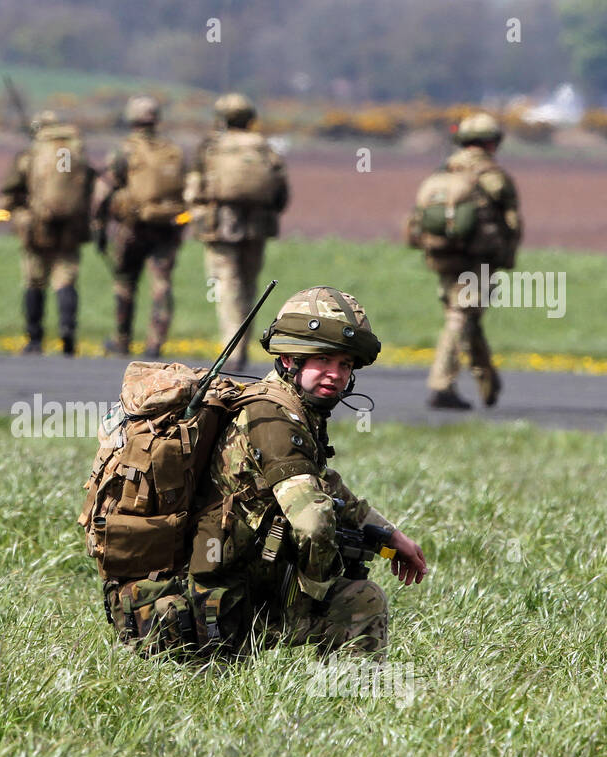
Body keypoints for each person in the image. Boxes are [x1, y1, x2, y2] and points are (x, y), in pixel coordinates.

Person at [105, 286, 427, 660]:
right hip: (205, 609)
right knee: (361, 599)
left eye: (345, 365)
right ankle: (350, 705)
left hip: (201, 597)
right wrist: (314, 595)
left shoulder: (279, 405)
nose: (336, 375)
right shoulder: (273, 419)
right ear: (289, 359)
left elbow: (325, 486)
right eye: (323, 360)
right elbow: (314, 522)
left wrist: (389, 535)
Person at [408, 112, 522, 410]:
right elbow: (511, 218)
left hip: (443, 257)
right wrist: (507, 254)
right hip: (476, 260)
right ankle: (441, 385)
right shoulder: (492, 175)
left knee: (467, 315)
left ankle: (488, 383)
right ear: (492, 142)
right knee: (460, 317)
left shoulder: (444, 170)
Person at [184, 93, 289, 371]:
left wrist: (195, 211)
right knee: (249, 285)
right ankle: (243, 344)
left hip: (220, 223)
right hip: (258, 224)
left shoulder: (211, 146)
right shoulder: (265, 147)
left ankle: (232, 347)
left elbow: (193, 189)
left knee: (226, 284)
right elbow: (281, 191)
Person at [0, 109, 95, 356]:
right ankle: (67, 332)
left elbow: (10, 191)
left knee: (34, 280)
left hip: (37, 229)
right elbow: (89, 187)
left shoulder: (30, 156)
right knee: (66, 280)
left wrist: (12, 212)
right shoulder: (76, 154)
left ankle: (34, 338)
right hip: (70, 230)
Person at [94, 95, 186, 358]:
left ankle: (122, 340)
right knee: (162, 285)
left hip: (132, 229)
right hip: (167, 228)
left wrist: (98, 226)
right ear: (156, 119)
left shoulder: (125, 150)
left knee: (124, 283)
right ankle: (155, 343)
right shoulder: (173, 151)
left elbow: (103, 189)